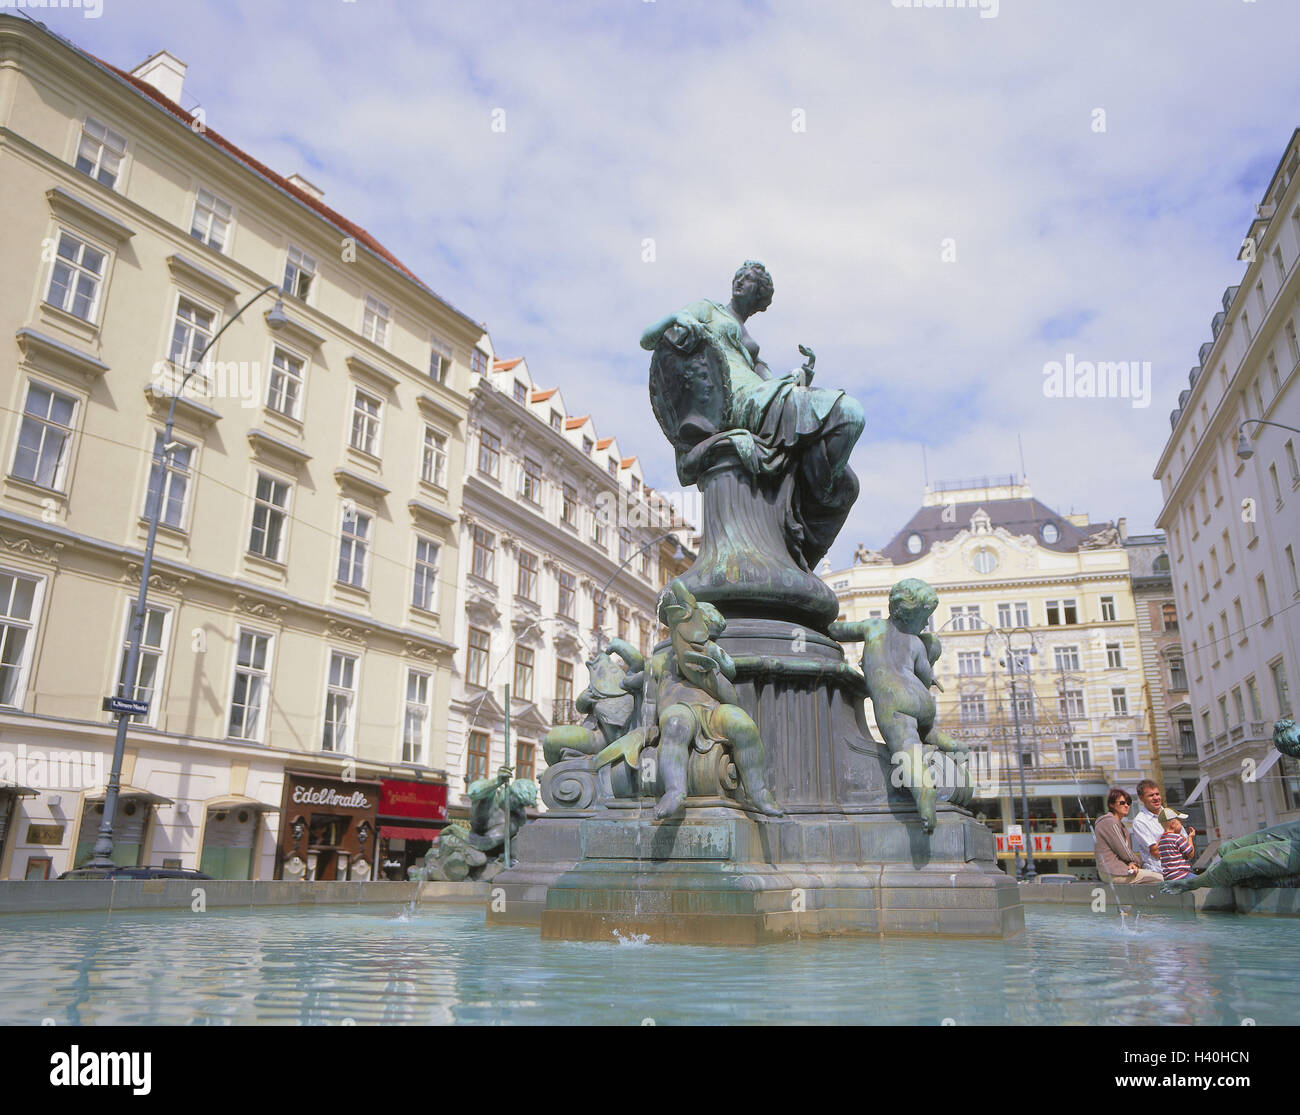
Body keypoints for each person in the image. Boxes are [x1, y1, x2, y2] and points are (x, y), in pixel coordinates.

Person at [1094, 788, 1163, 885]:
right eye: (1122, 803)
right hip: (1113, 872)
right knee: (1161, 878)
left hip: (1120, 870)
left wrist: (1132, 863)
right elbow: (1124, 851)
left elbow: (1124, 854)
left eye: (1129, 803)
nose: (1126, 805)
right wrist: (1138, 863)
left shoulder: (1121, 826)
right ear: (1111, 804)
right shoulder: (1110, 822)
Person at [1130, 779, 1165, 875]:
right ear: (1141, 798)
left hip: (1181, 869)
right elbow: (1156, 852)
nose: (1156, 798)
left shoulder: (1171, 814)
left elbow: (1187, 848)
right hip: (1160, 874)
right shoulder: (1140, 821)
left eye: (1157, 794)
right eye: (1151, 795)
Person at [1155, 806, 1196, 882]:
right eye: (1180, 822)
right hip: (1182, 875)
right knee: (1202, 882)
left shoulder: (1161, 840)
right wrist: (1190, 837)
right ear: (1173, 824)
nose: (1182, 825)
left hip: (1169, 878)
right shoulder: (1178, 838)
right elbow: (1191, 854)